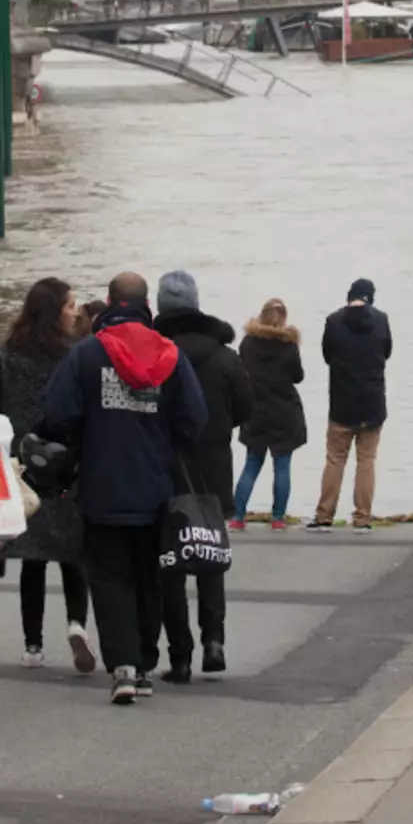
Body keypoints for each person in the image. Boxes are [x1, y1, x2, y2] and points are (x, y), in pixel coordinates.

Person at [37, 272, 207, 706]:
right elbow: (195, 418)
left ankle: (123, 667)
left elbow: (57, 414)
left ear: (110, 302)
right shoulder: (170, 355)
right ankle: (146, 663)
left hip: (101, 483)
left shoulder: (87, 355)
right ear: (146, 303)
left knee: (110, 577)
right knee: (149, 577)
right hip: (155, 488)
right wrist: (164, 441)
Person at [0, 278, 96, 675]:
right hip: (68, 466)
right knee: (74, 554)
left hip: (21, 470)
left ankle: (32, 645)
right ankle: (77, 624)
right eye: (71, 305)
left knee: (33, 559)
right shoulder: (78, 355)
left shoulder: (6, 355)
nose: (76, 312)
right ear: (55, 311)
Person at [152, 271, 253, 684]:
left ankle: (179, 657)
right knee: (210, 558)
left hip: (168, 470)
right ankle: (214, 641)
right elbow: (245, 409)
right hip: (213, 472)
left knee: (170, 564)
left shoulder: (153, 355)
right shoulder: (226, 357)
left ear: (161, 307)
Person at [307, 279, 392, 532]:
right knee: (366, 461)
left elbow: (327, 356)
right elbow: (386, 352)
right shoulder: (381, 319)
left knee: (335, 460)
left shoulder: (333, 321)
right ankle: (362, 518)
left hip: (342, 403)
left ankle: (324, 516)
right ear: (371, 298)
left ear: (349, 296)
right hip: (373, 404)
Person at [230, 299, 307, 531]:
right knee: (282, 466)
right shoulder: (288, 345)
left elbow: (241, 373)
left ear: (261, 316)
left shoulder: (247, 344)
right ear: (283, 318)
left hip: (256, 412)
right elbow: (298, 376)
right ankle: (277, 519)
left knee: (251, 465)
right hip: (284, 413)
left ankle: (237, 517)